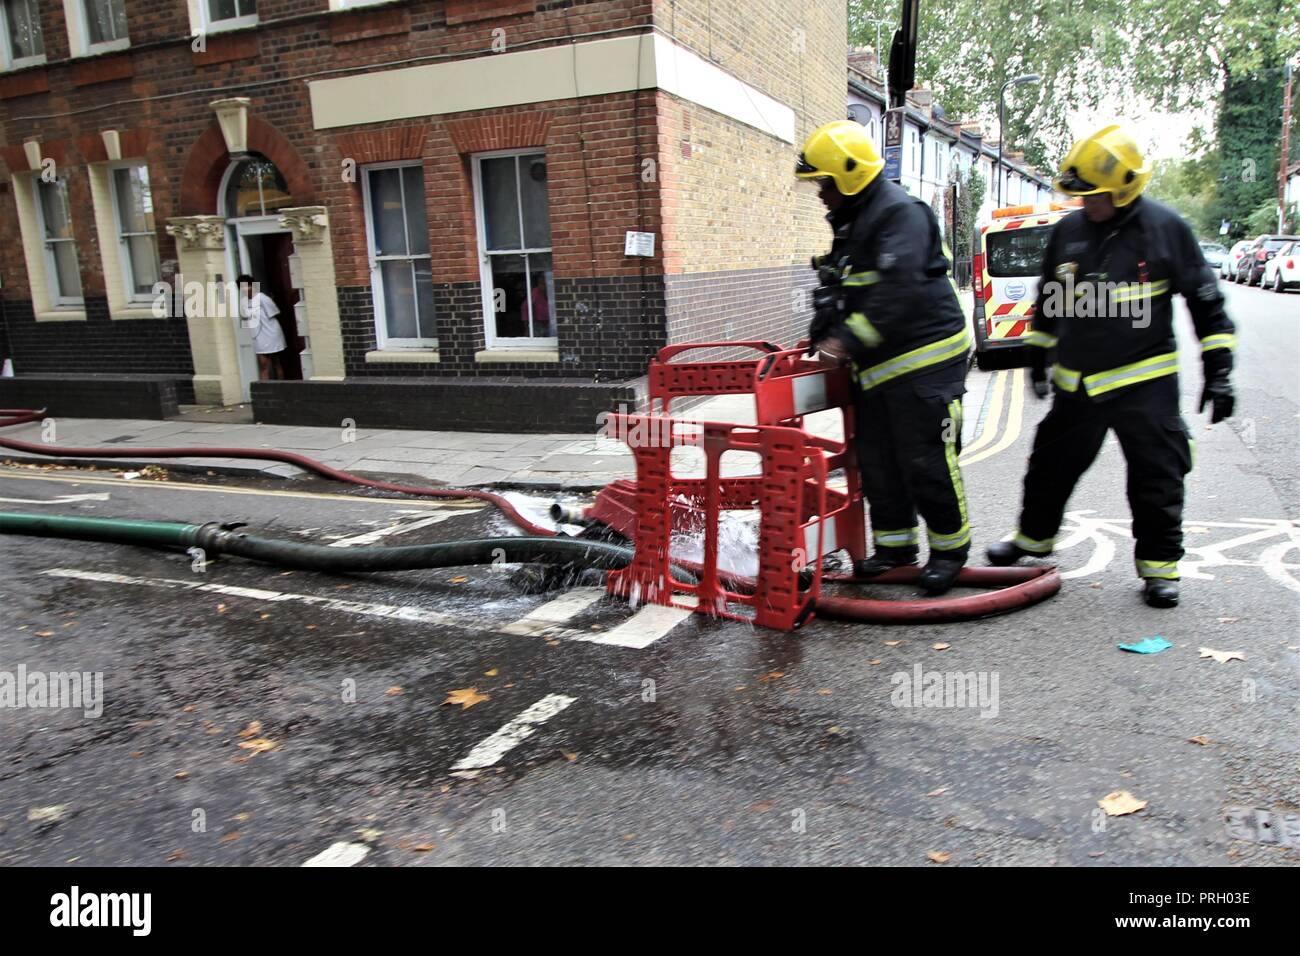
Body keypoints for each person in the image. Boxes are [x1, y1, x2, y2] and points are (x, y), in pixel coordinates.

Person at [985, 125, 1236, 608]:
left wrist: (1219, 368)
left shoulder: (1165, 230)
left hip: (1145, 383)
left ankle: (1160, 571)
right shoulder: (1070, 231)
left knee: (1157, 475)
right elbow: (1051, 303)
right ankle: (1033, 543)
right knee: (1049, 467)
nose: (1085, 204)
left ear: (1124, 189)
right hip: (1078, 384)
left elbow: (1206, 301)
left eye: (1094, 197)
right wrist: (1037, 354)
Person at [796, 120, 973, 595]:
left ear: (848, 177)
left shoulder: (900, 214)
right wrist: (821, 335)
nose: (819, 194)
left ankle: (950, 551)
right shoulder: (853, 223)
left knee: (926, 457)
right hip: (879, 369)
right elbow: (841, 291)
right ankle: (896, 547)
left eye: (824, 183)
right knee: (877, 459)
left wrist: (844, 343)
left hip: (926, 361)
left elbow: (897, 292)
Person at [238, 275, 286, 381]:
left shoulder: (262, 298)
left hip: (271, 333)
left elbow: (275, 313)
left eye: (247, 286)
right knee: (263, 365)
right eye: (242, 287)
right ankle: (266, 392)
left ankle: (282, 388)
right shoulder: (244, 302)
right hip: (259, 336)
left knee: (276, 363)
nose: (245, 289)